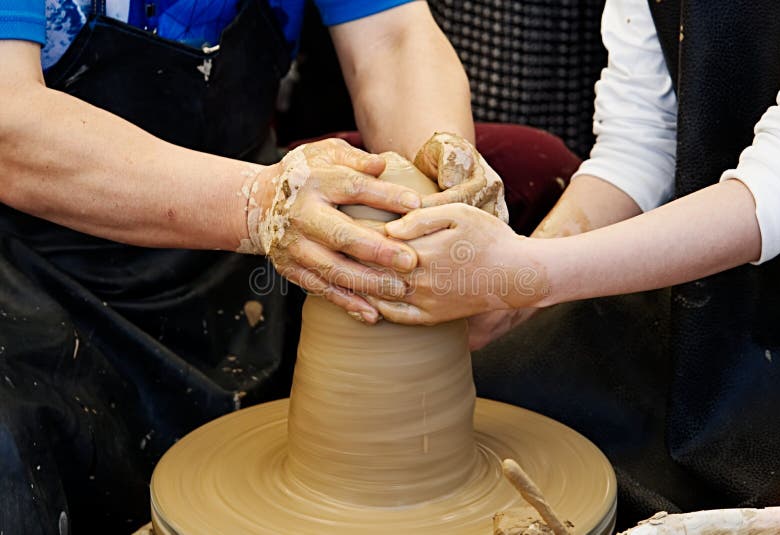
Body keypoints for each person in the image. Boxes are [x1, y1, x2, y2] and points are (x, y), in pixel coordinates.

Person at [0, 1, 529, 532]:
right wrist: (259, 205)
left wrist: (436, 189)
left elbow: (392, 39)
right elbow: (11, 122)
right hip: (36, 278)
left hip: (255, 260)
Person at [368, 0, 780, 527]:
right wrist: (507, 297)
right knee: (497, 382)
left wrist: (528, 272)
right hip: (705, 292)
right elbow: (639, 146)